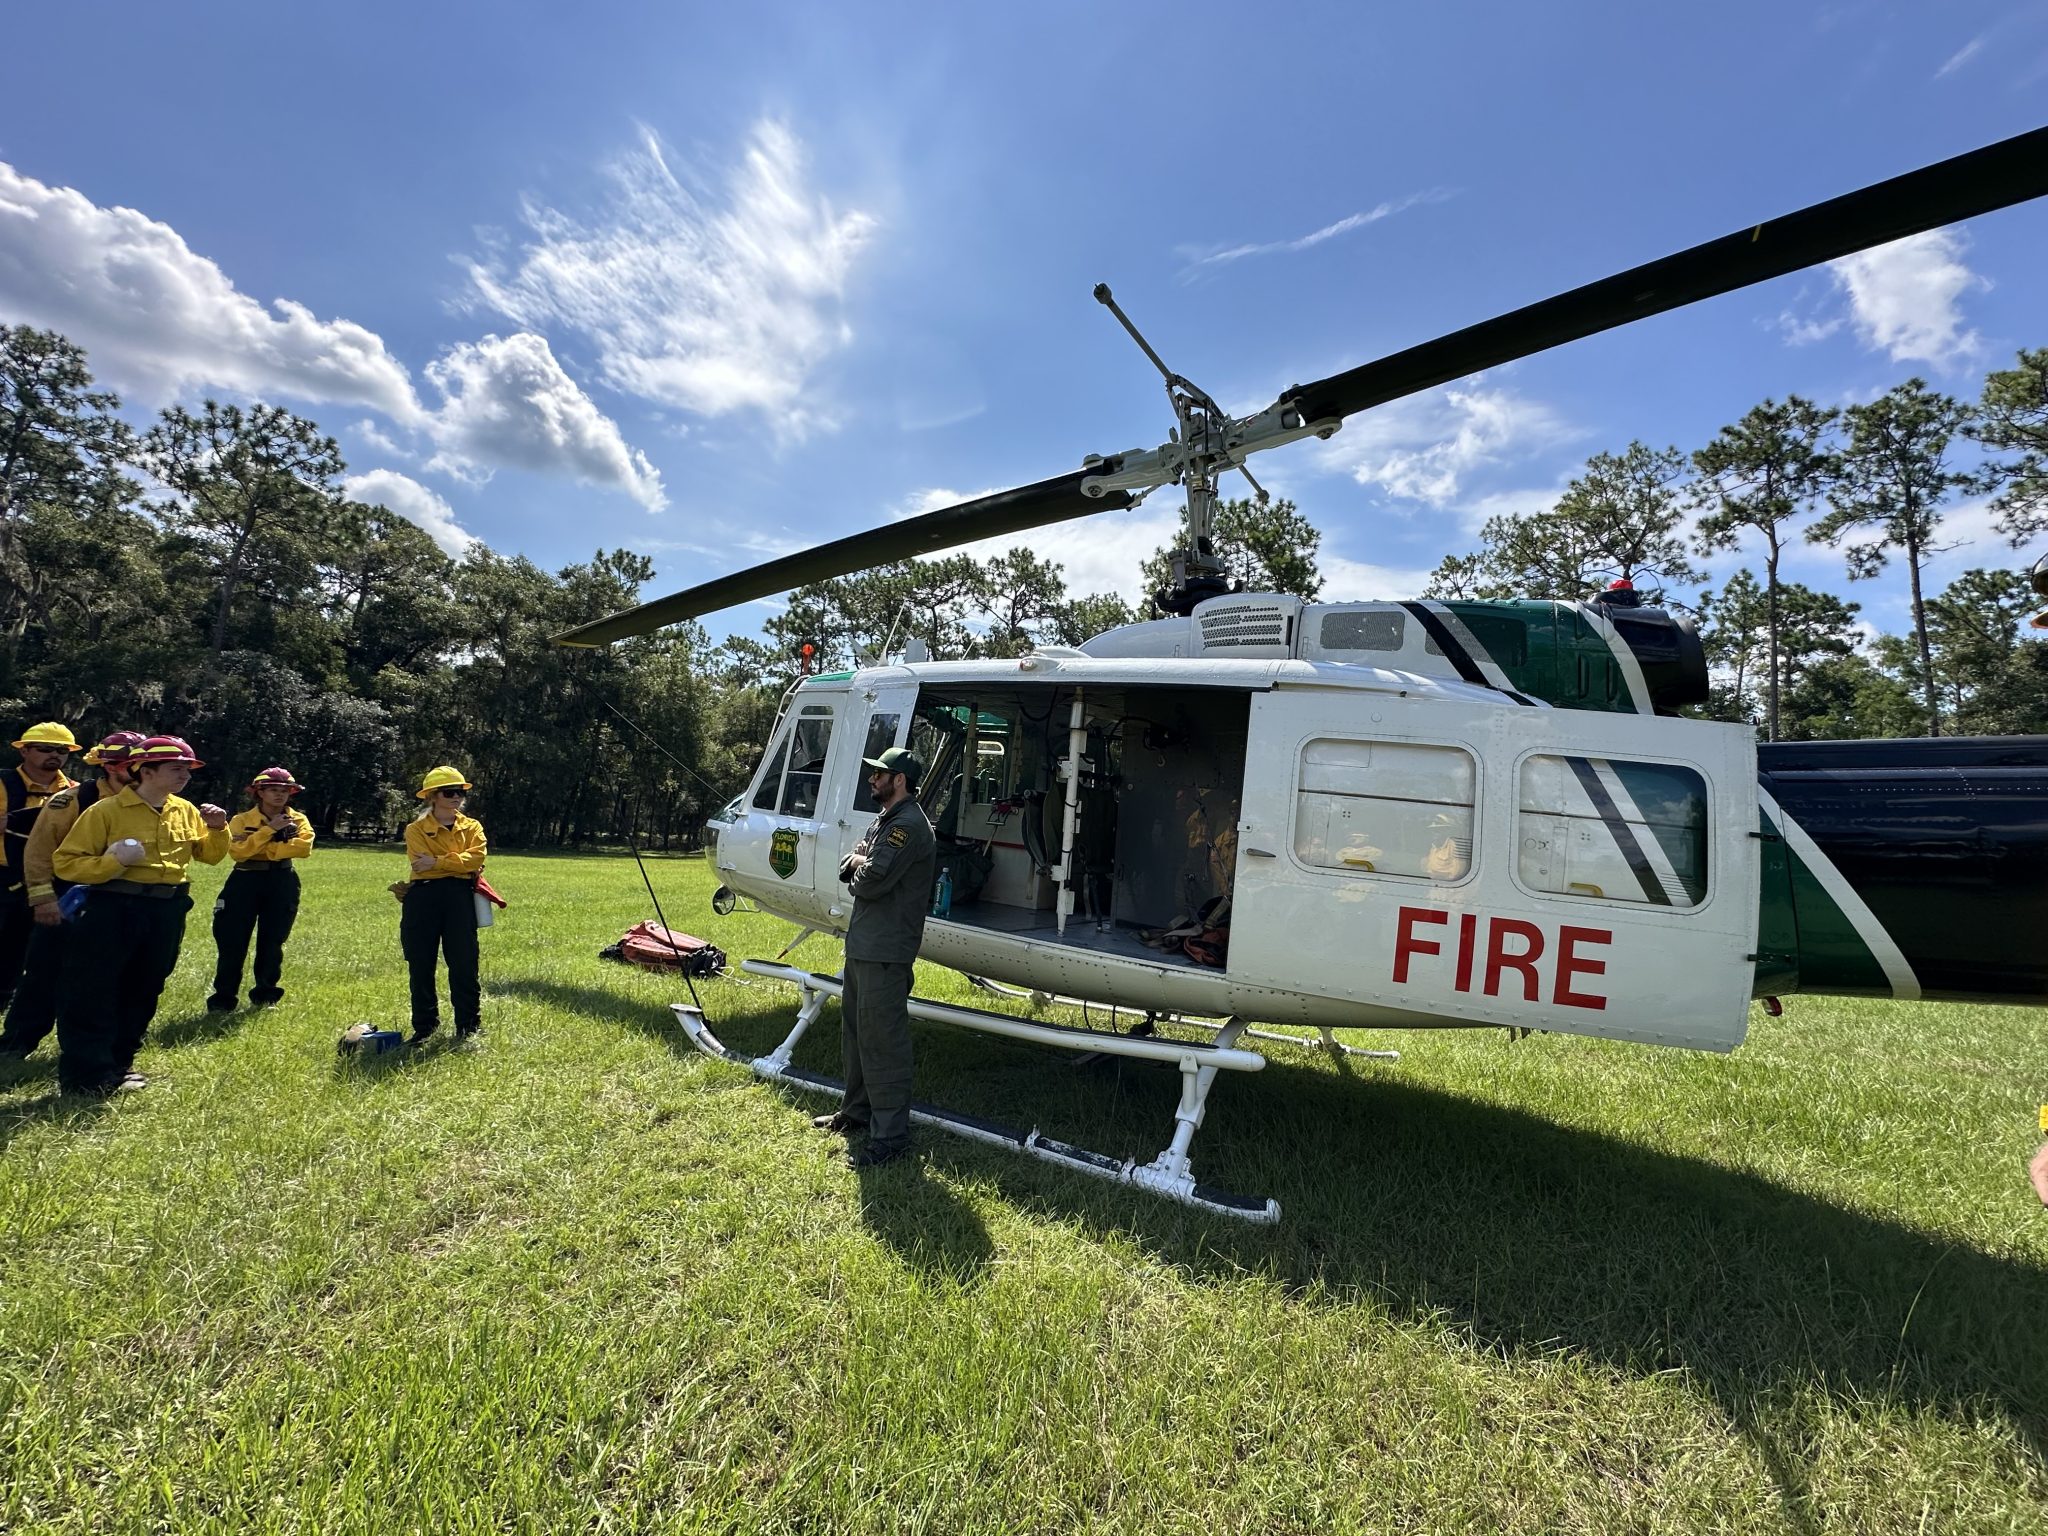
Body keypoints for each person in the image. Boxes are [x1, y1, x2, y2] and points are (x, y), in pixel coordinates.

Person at [51, 735, 228, 1095]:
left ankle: (119, 1064)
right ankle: (85, 1074)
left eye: (188, 769)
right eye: (176, 768)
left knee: (145, 986)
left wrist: (218, 828)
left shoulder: (185, 810)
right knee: (95, 988)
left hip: (167, 908)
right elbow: (66, 863)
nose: (185, 775)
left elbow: (208, 856)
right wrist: (112, 863)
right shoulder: (105, 811)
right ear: (145, 770)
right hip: (115, 905)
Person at [818, 746, 936, 1168]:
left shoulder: (907, 827)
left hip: (886, 949)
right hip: (866, 944)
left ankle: (891, 1136)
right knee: (856, 1032)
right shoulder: (885, 820)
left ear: (899, 780)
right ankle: (856, 1112)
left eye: (880, 774)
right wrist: (861, 859)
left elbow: (868, 880)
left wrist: (861, 863)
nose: (872, 779)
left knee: (883, 1040)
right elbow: (858, 855)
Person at [0, 731, 147, 1061]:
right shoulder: (74, 799)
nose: (141, 772)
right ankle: (17, 1043)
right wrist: (43, 898)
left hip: (127, 900)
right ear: (111, 767)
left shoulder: (153, 802)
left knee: (114, 978)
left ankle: (105, 1048)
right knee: (45, 971)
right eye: (134, 765)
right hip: (71, 897)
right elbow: (38, 852)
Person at [207, 766, 315, 1012]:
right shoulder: (241, 820)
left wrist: (262, 848)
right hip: (244, 880)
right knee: (232, 941)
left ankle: (266, 996)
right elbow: (238, 852)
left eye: (285, 791)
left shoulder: (299, 820)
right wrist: (271, 831)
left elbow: (302, 849)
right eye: (273, 790)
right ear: (259, 793)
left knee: (273, 940)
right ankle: (223, 1000)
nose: (280, 795)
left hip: (282, 880)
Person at [400, 765, 487, 1047]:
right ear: (432, 797)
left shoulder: (472, 826)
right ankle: (424, 1027)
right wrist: (455, 861)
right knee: (421, 964)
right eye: (449, 792)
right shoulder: (415, 830)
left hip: (460, 897)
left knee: (464, 962)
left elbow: (476, 859)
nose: (456, 797)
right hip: (422, 898)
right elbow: (418, 865)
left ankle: (468, 1026)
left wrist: (437, 862)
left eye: (460, 792)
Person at [0, 721, 80, 1011]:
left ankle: (8, 999)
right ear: (25, 751)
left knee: (25, 946)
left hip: (48, 877)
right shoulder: (2, 783)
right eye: (46, 749)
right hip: (2, 874)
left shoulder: (74, 791)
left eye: (62, 751)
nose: (55, 756)